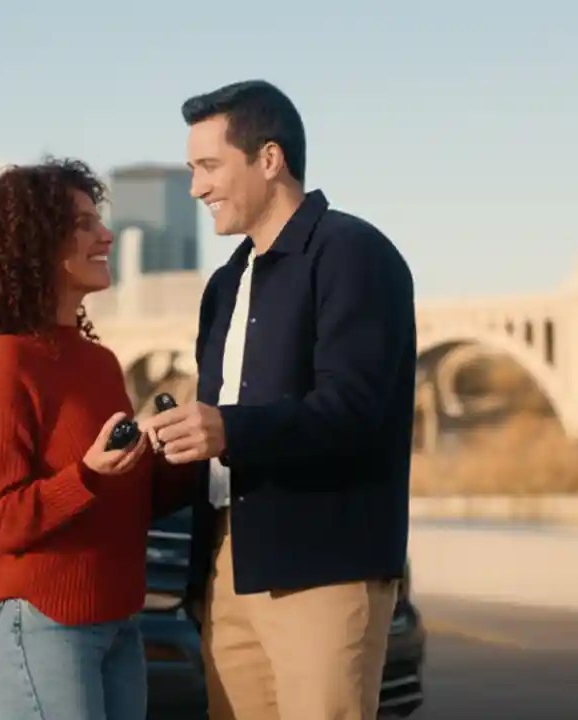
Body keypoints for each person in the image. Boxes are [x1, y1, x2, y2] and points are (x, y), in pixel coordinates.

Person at [141, 80, 417, 720]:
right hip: (226, 569)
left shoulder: (354, 254)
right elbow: (220, 433)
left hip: (322, 569)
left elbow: (353, 410)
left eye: (209, 167)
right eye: (191, 170)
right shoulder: (224, 284)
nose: (196, 188)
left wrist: (227, 430)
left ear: (270, 159)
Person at [0, 158, 197, 720]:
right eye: (82, 224)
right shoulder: (2, 363)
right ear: (34, 243)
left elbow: (127, 501)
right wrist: (87, 475)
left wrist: (183, 451)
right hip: (39, 626)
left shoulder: (99, 363)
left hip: (119, 624)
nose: (105, 235)